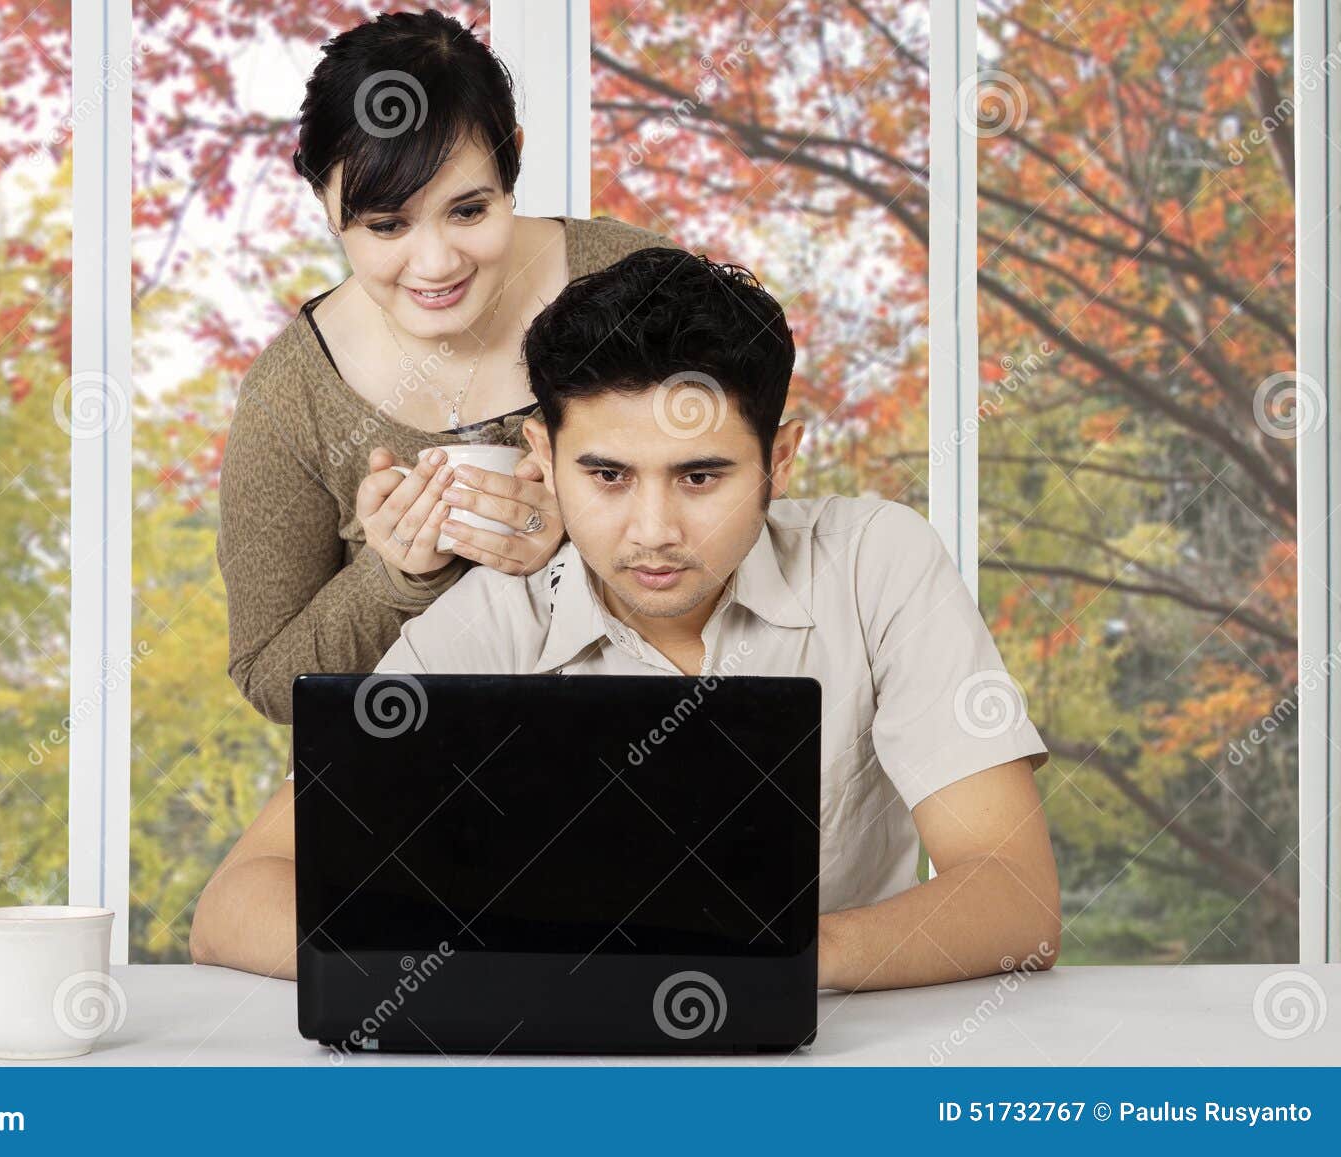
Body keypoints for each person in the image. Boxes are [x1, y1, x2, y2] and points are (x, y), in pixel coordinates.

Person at [191, 246, 1062, 990]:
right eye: (607, 476)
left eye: (700, 477)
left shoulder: (877, 563)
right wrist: (511, 967)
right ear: (545, 458)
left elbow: (1016, 897)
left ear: (780, 459)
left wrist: (772, 957)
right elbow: (236, 903)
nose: (653, 532)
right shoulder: (492, 618)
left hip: (833, 1060)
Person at [218, 9, 680, 726]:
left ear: (512, 160)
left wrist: (587, 533)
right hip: (404, 768)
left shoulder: (643, 287)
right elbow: (272, 679)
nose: (436, 265)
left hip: (639, 738)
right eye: (387, 225)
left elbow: (746, 525)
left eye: (468, 211)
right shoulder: (293, 398)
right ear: (324, 201)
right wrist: (399, 577)